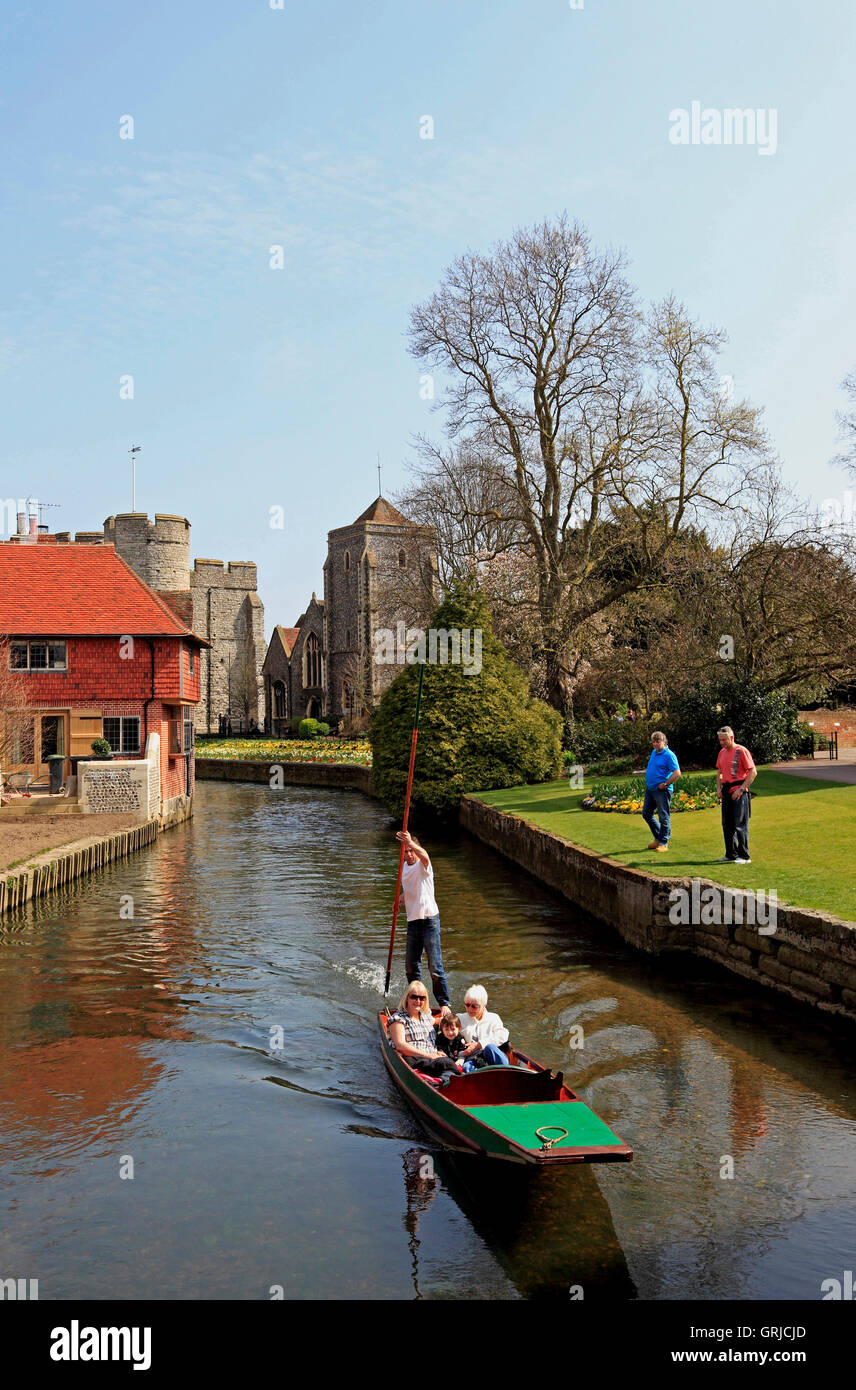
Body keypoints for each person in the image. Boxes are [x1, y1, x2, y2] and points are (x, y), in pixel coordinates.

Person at [396, 829, 451, 1011]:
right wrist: (400, 899)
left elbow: (425, 855)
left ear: (416, 848)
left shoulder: (423, 864)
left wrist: (410, 842)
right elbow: (411, 887)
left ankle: (444, 1004)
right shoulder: (403, 867)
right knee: (411, 968)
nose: (409, 854)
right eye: (405, 851)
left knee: (435, 967)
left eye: (411, 850)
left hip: (429, 920)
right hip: (413, 921)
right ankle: (416, 1001)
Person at [388, 982, 458, 1078]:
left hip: (432, 1059)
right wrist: (428, 1055)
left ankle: (450, 1078)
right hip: (415, 1059)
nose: (418, 1001)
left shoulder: (425, 1015)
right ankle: (448, 1082)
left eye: (422, 998)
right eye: (414, 997)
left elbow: (435, 1021)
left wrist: (449, 1019)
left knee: (449, 1057)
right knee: (446, 1063)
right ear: (407, 997)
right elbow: (400, 1045)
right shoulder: (398, 1018)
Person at [715, 726, 757, 864]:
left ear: (732, 737)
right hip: (726, 790)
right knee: (727, 824)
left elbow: (753, 772)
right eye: (720, 740)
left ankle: (744, 856)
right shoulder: (721, 753)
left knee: (740, 823)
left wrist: (741, 789)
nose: (722, 742)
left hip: (739, 789)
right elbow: (719, 772)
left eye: (724, 740)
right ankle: (730, 854)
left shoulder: (741, 751)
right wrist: (719, 788)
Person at [642, 731, 681, 852]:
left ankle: (664, 843)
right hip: (651, 789)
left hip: (662, 791)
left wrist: (665, 784)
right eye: (653, 741)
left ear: (664, 741)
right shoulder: (654, 752)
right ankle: (658, 838)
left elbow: (677, 773)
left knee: (663, 816)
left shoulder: (669, 755)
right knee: (646, 814)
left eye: (658, 741)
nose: (655, 744)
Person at [457, 985, 510, 1067]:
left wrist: (479, 1044)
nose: (470, 1009)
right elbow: (444, 1022)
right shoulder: (459, 1018)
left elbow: (503, 1035)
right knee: (466, 1067)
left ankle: (506, 1071)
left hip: (491, 1056)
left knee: (490, 1047)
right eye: (467, 1005)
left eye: (474, 1006)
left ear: (484, 1005)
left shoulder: (493, 1018)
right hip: (473, 1058)